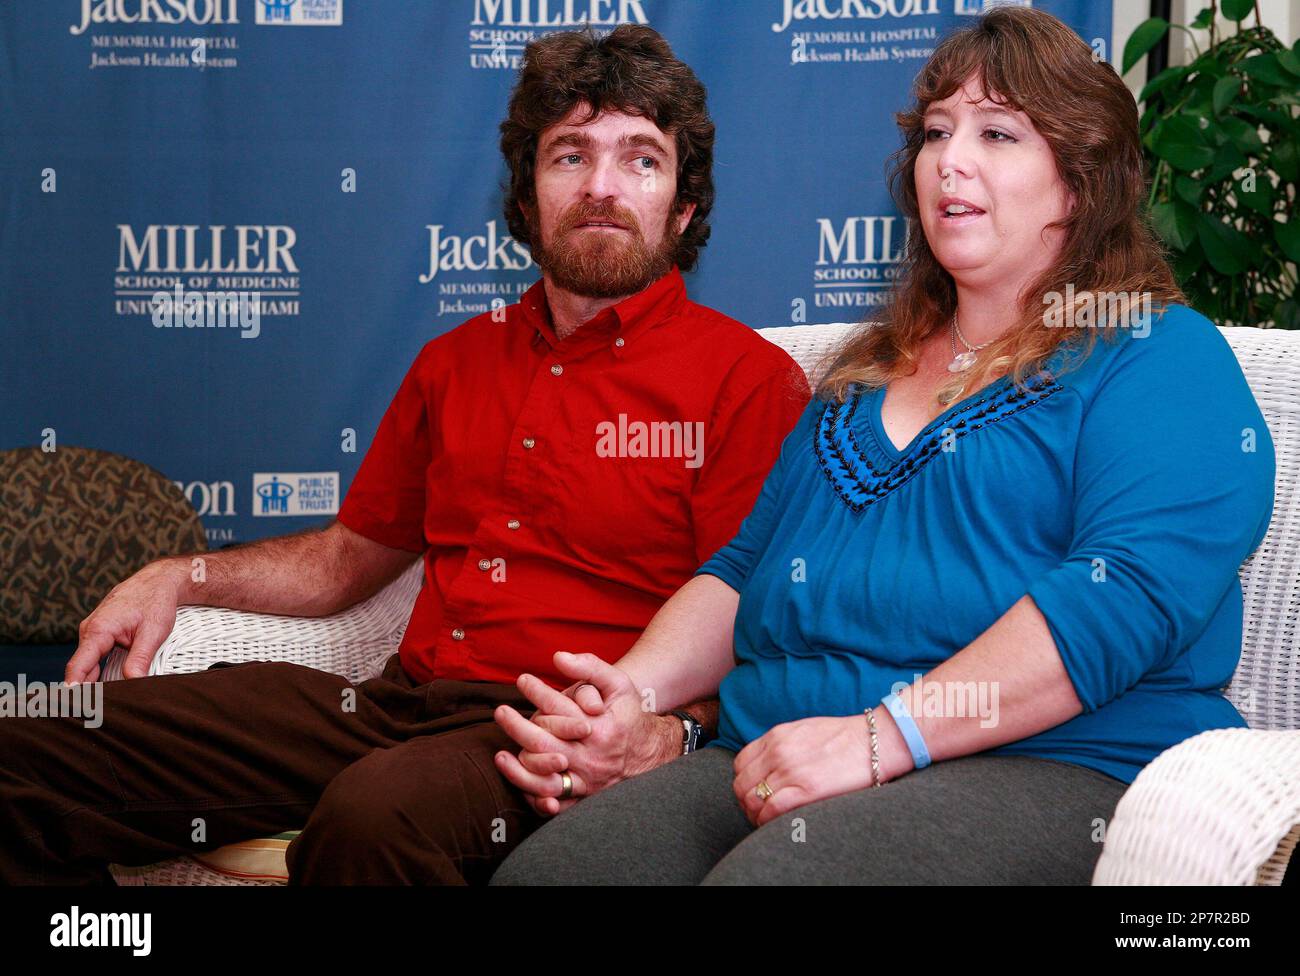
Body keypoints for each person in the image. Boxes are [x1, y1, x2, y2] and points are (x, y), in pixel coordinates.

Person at [0, 25, 809, 885]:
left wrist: (671, 732)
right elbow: (346, 561)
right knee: (31, 748)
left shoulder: (748, 382)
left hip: (547, 734)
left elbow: (759, 626)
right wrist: (184, 576)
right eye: (570, 154)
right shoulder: (455, 360)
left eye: (640, 159)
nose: (602, 187)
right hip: (388, 706)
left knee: (371, 819)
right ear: (528, 201)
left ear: (683, 207)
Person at [489, 6, 1277, 885]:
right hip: (779, 749)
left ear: (1079, 182)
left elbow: (1125, 596)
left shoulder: (1156, 355)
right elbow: (743, 571)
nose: (952, 159)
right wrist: (626, 698)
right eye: (937, 132)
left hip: (1056, 765)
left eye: (998, 133)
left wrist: (883, 735)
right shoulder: (860, 376)